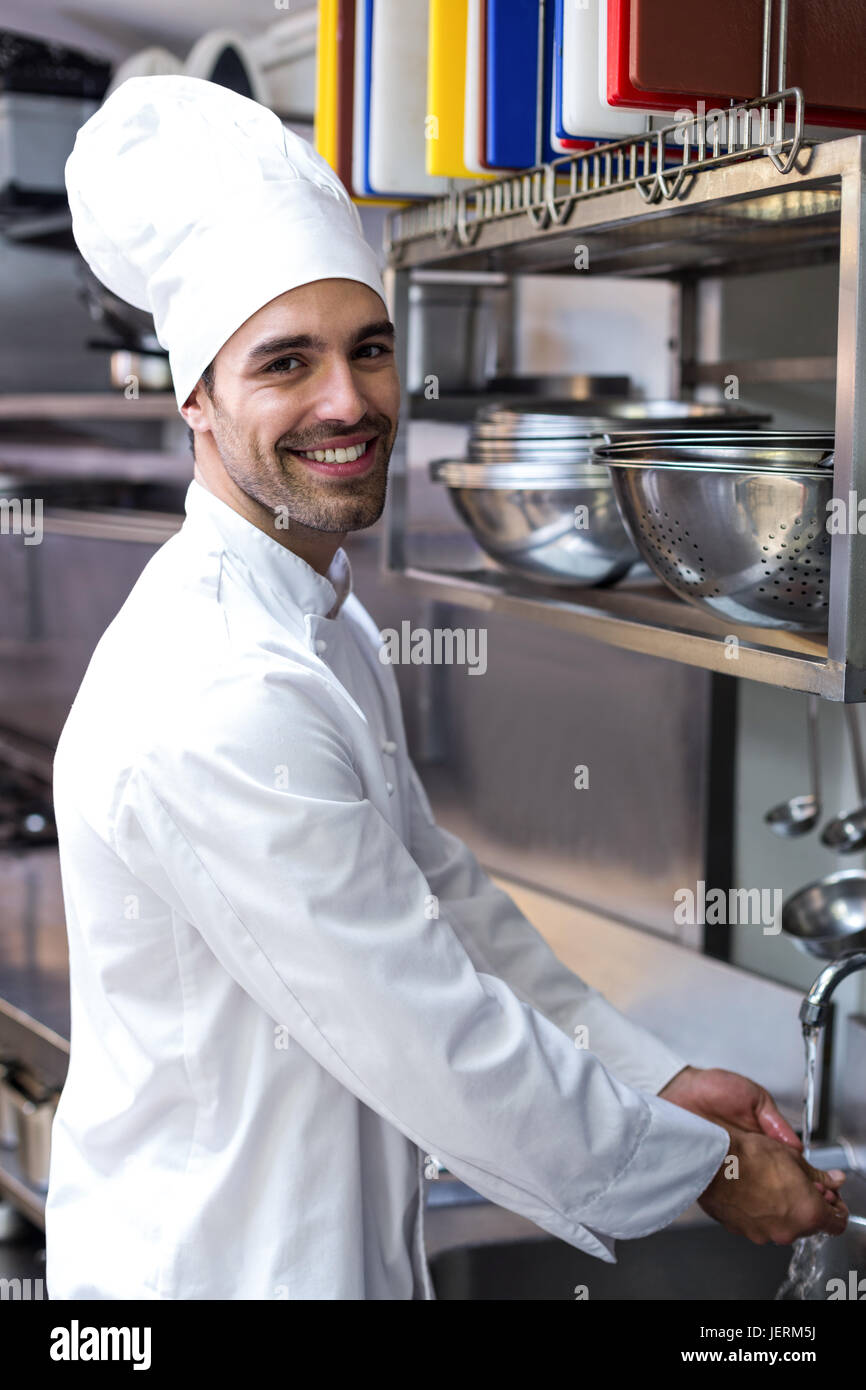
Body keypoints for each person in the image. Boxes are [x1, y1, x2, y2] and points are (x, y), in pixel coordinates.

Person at [45, 76, 847, 1301]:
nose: (346, 401)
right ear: (196, 399)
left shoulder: (321, 618)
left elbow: (442, 906)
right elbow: (429, 1030)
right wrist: (705, 1171)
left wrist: (650, 1077)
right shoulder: (218, 688)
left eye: (367, 349)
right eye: (285, 363)